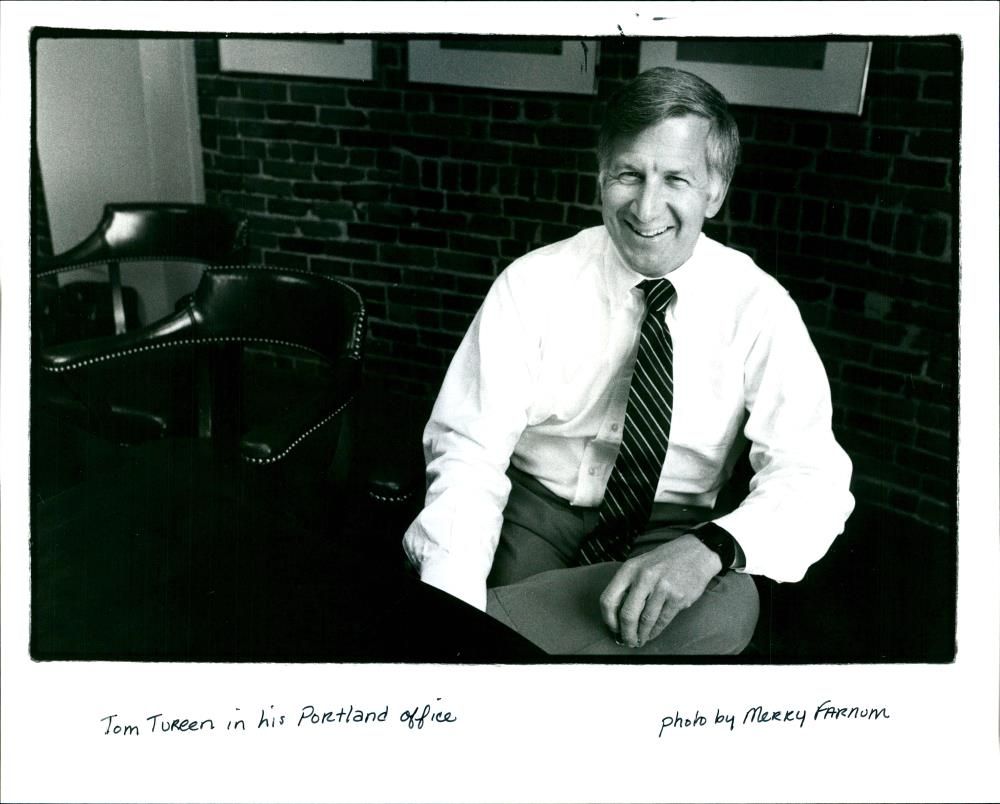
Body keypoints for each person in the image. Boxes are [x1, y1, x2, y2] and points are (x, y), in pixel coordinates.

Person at [402, 67, 854, 655]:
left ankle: (492, 647)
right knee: (475, 584)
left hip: (671, 530)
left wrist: (710, 549)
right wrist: (453, 601)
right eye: (629, 174)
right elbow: (469, 451)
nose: (646, 206)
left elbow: (812, 473)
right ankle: (475, 646)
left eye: (677, 179)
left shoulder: (759, 306)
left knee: (731, 604)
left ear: (715, 191)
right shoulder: (532, 283)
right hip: (536, 513)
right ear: (599, 178)